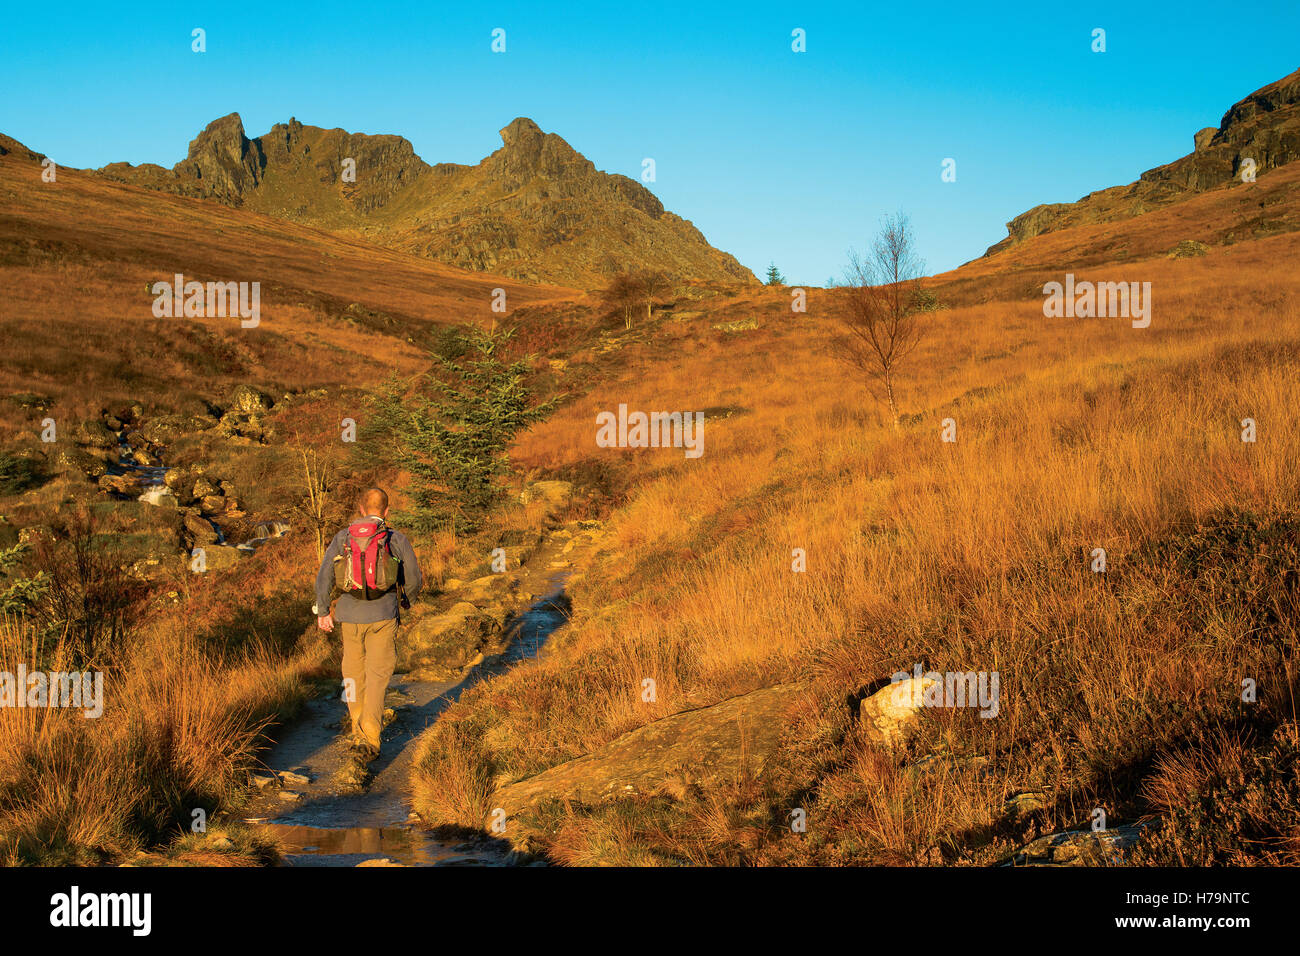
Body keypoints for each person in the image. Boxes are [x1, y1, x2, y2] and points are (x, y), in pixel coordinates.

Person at [314, 488, 421, 759]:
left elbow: (325, 573)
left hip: (348, 616)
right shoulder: (394, 538)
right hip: (383, 614)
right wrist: (407, 599)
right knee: (377, 675)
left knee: (352, 673)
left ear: (361, 509)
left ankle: (357, 727)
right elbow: (414, 577)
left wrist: (323, 610)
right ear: (386, 511)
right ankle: (370, 735)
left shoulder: (343, 537)